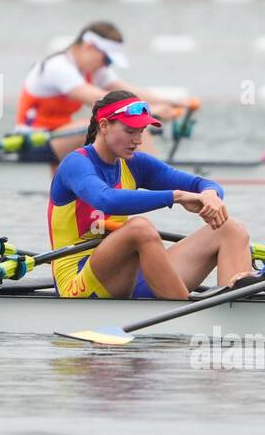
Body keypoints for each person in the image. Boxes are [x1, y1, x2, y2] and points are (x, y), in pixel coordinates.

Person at [47, 90, 253, 298]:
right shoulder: (76, 164)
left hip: (129, 276)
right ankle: (187, 313)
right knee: (140, 228)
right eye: (130, 131)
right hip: (78, 283)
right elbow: (105, 200)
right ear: (104, 126)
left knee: (231, 229)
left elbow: (203, 183)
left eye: (141, 131)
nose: (137, 140)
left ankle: (236, 311)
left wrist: (210, 195)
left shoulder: (136, 164)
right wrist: (177, 197)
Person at [17, 21, 184, 163]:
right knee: (118, 123)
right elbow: (102, 101)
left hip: (59, 139)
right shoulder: (58, 67)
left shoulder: (94, 67)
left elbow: (126, 90)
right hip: (34, 142)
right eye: (107, 59)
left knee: (127, 123)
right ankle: (159, 181)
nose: (106, 65)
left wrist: (170, 102)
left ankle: (141, 175)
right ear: (90, 47)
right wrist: (150, 111)